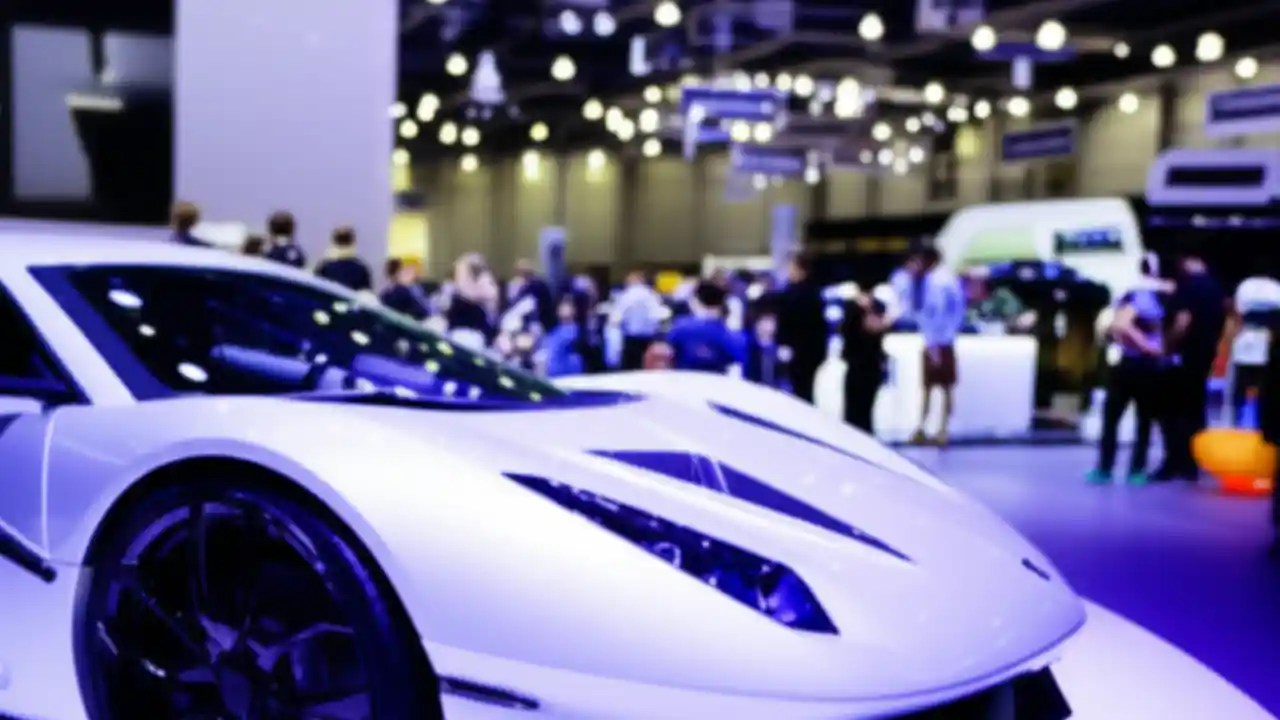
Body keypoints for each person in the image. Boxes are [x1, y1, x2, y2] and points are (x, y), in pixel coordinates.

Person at [1088, 254, 1167, 485]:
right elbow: (1122, 324)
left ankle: (1105, 469)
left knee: (1114, 418)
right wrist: (1149, 347)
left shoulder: (1135, 293)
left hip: (1130, 363)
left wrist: (1140, 343)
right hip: (1143, 364)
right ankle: (1135, 470)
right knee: (1143, 420)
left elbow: (1119, 325)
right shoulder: (1148, 294)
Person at [1157, 253, 1227, 481]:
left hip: (1183, 356)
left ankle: (1173, 461)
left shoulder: (1187, 286)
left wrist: (1167, 346)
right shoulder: (1216, 288)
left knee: (1172, 410)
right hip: (1204, 355)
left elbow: (1182, 321)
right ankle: (1193, 462)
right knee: (1196, 408)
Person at [912, 247, 965, 446]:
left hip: (936, 340)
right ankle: (942, 428)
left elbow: (936, 312)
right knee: (946, 387)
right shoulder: (950, 279)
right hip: (947, 340)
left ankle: (925, 427)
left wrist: (933, 344)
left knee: (930, 387)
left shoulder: (934, 281)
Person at [777, 254, 827, 402]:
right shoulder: (813, 292)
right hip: (809, 352)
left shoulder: (799, 293)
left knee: (801, 390)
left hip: (800, 352)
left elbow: (790, 321)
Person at [667, 281, 747, 374]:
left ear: (696, 301)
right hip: (717, 380)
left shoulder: (680, 327)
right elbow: (741, 360)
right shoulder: (732, 335)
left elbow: (668, 354)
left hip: (683, 378)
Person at [842, 292, 891, 434]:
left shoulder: (878, 307)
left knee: (864, 413)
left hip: (870, 368)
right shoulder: (852, 311)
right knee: (853, 413)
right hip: (857, 367)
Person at [611, 270, 664, 370]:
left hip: (631, 337)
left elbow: (617, 316)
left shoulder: (626, 295)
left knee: (629, 368)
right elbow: (657, 315)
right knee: (645, 366)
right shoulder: (651, 295)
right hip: (648, 337)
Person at [314, 226, 373, 292]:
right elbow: (366, 293)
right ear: (352, 242)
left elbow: (316, 290)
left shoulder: (324, 267)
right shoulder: (361, 268)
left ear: (334, 242)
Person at [542, 298, 585, 378]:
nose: (563, 310)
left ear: (573, 310)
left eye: (566, 307)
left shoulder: (578, 330)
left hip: (571, 375)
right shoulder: (553, 331)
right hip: (553, 375)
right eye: (561, 308)